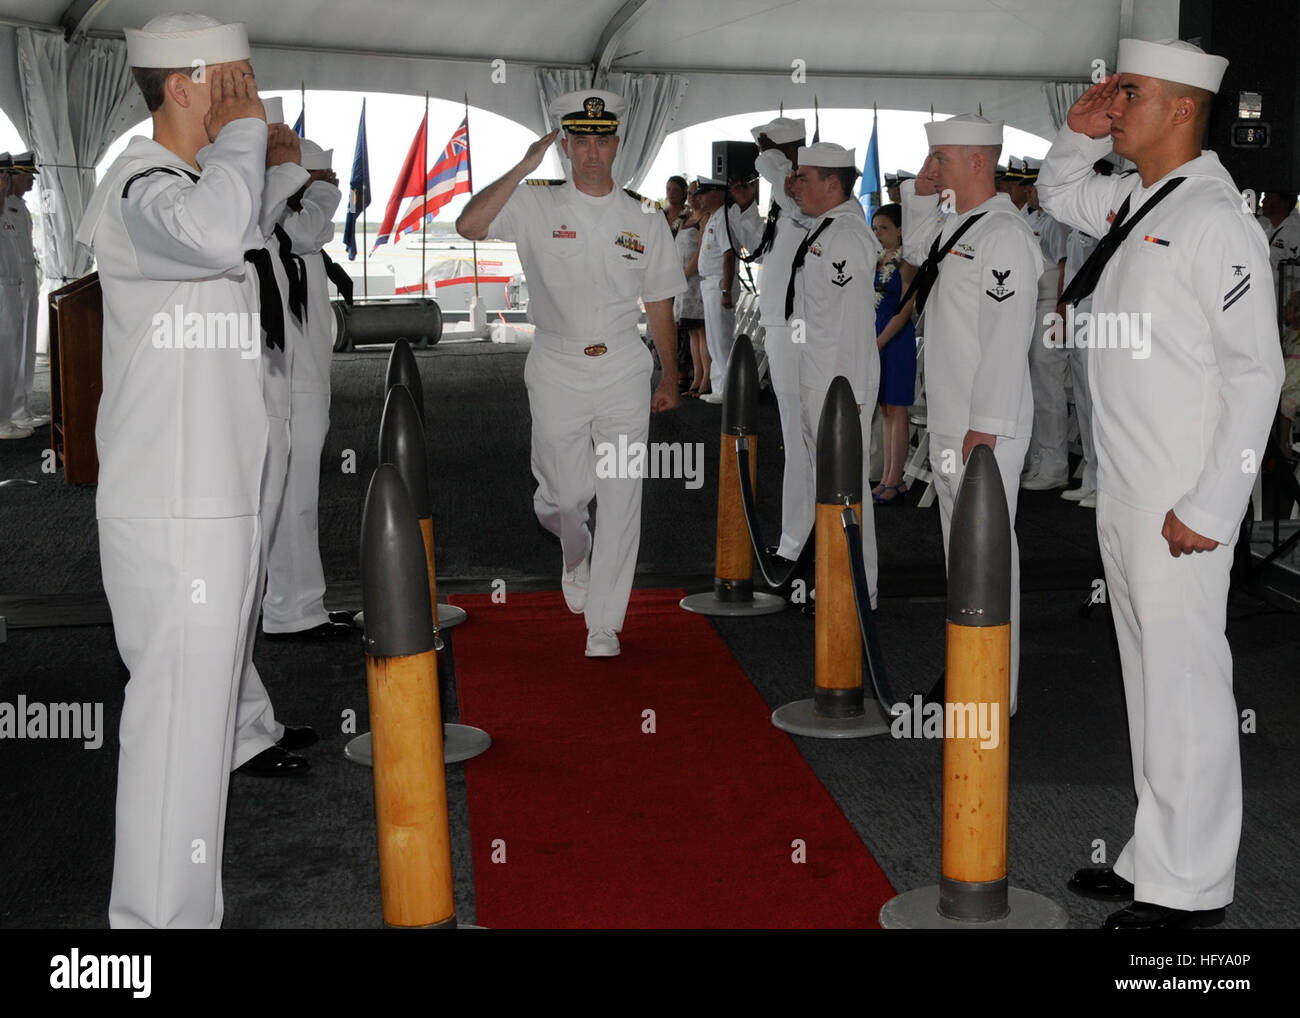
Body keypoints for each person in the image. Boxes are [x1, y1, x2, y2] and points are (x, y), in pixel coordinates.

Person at [74, 12, 315, 928]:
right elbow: (218, 238)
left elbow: (242, 224)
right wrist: (248, 136)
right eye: (236, 81)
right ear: (184, 86)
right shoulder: (142, 186)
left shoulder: (191, 184)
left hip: (212, 502)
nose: (251, 97)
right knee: (177, 740)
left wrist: (261, 151)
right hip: (176, 512)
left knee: (199, 736)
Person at [1038, 38, 1283, 929]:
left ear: (1182, 109)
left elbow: (1256, 374)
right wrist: (1076, 131)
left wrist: (1213, 505)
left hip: (1182, 497)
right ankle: (1156, 855)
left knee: (1186, 686)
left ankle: (1192, 890)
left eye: (1130, 93)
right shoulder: (1146, 198)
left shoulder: (1217, 219)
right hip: (1131, 489)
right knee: (1148, 682)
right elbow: (1063, 195)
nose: (1113, 102)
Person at [455, 89, 685, 657]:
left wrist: (670, 375)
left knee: (622, 493)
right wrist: (524, 165)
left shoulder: (644, 216)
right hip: (556, 364)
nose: (591, 152)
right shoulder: (535, 203)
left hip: (623, 368)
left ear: (616, 143)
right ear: (564, 144)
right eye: (579, 139)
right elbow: (469, 225)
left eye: (601, 139)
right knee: (562, 497)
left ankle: (605, 622)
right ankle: (574, 551)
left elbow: (659, 302)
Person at [900, 113, 1040, 714]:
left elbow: (1007, 339)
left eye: (943, 161)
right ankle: (968, 670)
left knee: (987, 555)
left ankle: (994, 694)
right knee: (961, 555)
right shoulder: (961, 224)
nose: (932, 172)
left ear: (979, 163)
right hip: (954, 419)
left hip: (987, 424)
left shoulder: (1004, 235)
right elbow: (912, 248)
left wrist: (983, 427)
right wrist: (920, 188)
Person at [789, 141, 881, 606]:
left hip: (838, 384)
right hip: (820, 376)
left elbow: (852, 324)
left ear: (831, 183)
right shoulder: (824, 228)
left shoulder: (845, 237)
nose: (795, 185)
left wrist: (849, 397)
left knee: (845, 484)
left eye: (803, 177)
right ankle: (829, 580)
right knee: (821, 482)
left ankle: (854, 592)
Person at [750, 117, 814, 565]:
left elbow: (772, 166)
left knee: (800, 438)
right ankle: (798, 534)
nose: (761, 153)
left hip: (796, 330)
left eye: (768, 145)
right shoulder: (784, 198)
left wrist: (776, 152)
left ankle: (800, 540)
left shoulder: (798, 192)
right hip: (781, 327)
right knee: (796, 438)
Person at [1016, 157, 1074, 490]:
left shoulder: (1058, 221)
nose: (1029, 192)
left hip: (1052, 307)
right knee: (1036, 388)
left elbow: (1063, 269)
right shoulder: (1034, 218)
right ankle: (1038, 458)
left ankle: (1055, 464)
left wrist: (1063, 309)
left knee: (1049, 388)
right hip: (1034, 307)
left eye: (1033, 186)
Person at [869, 203, 917, 504]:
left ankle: (895, 477)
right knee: (885, 408)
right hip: (877, 335)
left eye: (884, 228)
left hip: (896, 338)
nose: (878, 234)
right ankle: (887, 475)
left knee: (897, 409)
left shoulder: (907, 262)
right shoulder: (878, 259)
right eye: (875, 228)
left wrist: (882, 340)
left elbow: (905, 307)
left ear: (900, 229)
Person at [2, 152, 45, 433]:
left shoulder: (20, 208)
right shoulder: (5, 208)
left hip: (21, 279)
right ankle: (10, 412)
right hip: (7, 284)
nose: (30, 180)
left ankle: (20, 407)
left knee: (23, 347)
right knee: (8, 351)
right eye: (25, 175)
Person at [0, 154, 29, 440]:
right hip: (2, 288)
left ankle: (9, 413)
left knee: (11, 354)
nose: (5, 183)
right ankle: (3, 418)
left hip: (10, 286)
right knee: (4, 356)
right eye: (2, 177)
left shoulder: (9, 210)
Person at [675, 179, 709, 396]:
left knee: (703, 333)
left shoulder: (705, 219)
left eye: (696, 194)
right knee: (693, 334)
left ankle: (706, 381)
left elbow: (700, 254)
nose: (691, 198)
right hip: (683, 283)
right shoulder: (686, 218)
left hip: (696, 282)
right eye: (689, 193)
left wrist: (685, 274)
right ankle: (697, 380)